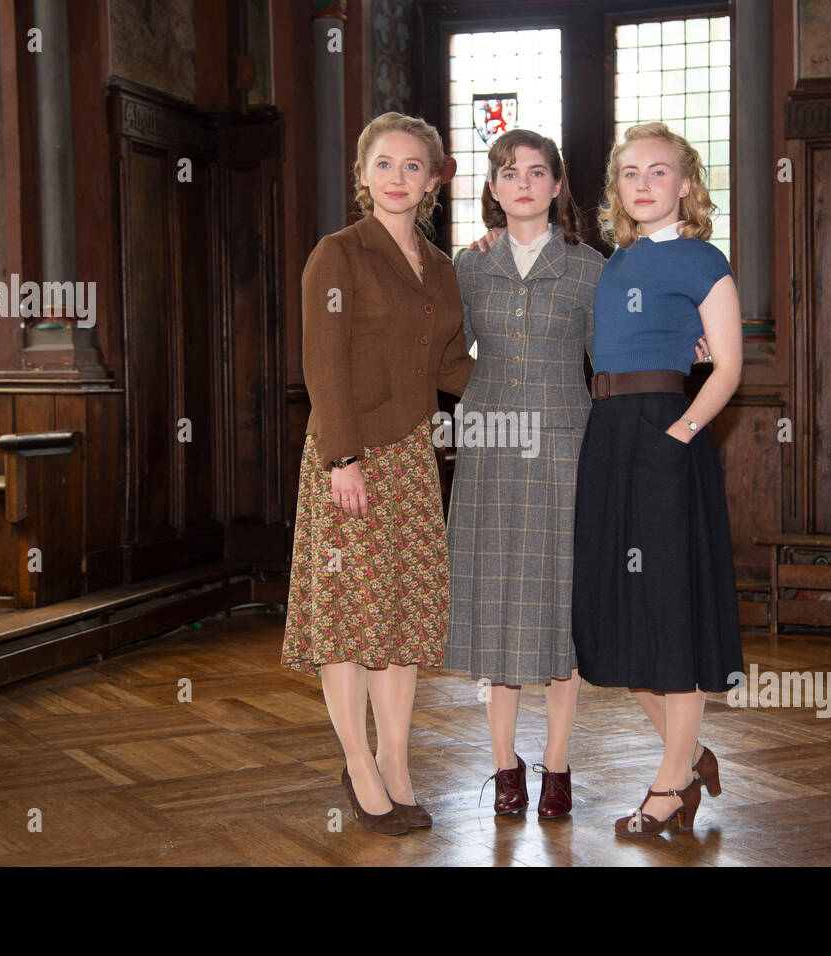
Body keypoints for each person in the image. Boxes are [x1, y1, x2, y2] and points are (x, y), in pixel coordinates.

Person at [281, 112, 474, 836]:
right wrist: (342, 459)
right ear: (363, 175)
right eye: (385, 164)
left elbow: (449, 364)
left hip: (413, 459)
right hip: (349, 458)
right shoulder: (338, 254)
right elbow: (322, 361)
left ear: (432, 180)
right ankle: (359, 766)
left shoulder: (441, 266)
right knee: (349, 620)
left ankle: (398, 765)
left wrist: (530, 381)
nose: (399, 177)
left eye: (413, 166)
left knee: (401, 617)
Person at [570, 121, 744, 838]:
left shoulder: (705, 260)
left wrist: (680, 433)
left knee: (670, 611)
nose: (643, 184)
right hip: (606, 435)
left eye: (659, 171)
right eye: (630, 173)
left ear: (687, 184)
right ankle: (693, 751)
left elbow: (728, 367)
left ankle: (670, 785)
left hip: (668, 437)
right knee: (615, 612)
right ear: (618, 189)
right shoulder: (611, 265)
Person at [444, 130, 603, 819]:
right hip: (490, 451)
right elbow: (445, 357)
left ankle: (558, 766)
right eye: (510, 173)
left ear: (558, 185)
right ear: (493, 187)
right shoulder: (468, 267)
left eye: (538, 173)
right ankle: (504, 767)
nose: (525, 184)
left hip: (567, 446)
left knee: (557, 608)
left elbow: (611, 367)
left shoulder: (592, 268)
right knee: (498, 606)